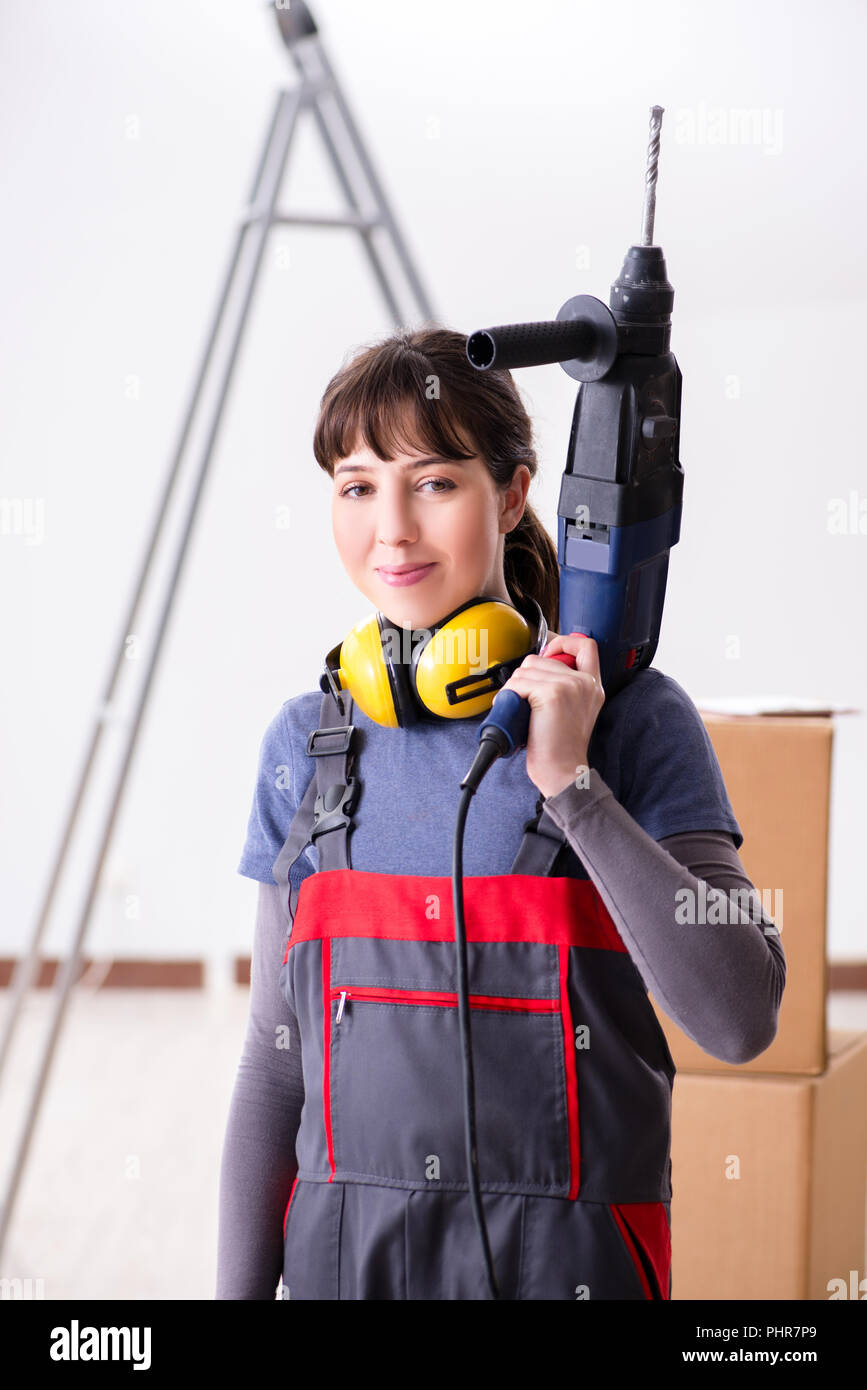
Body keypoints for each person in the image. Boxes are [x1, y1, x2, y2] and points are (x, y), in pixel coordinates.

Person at [216, 326, 785, 1301]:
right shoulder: (306, 745)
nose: (390, 529)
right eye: (357, 486)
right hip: (341, 1268)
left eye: (433, 482)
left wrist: (574, 789)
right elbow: (275, 1072)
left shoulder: (630, 719)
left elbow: (740, 1016)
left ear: (514, 492)